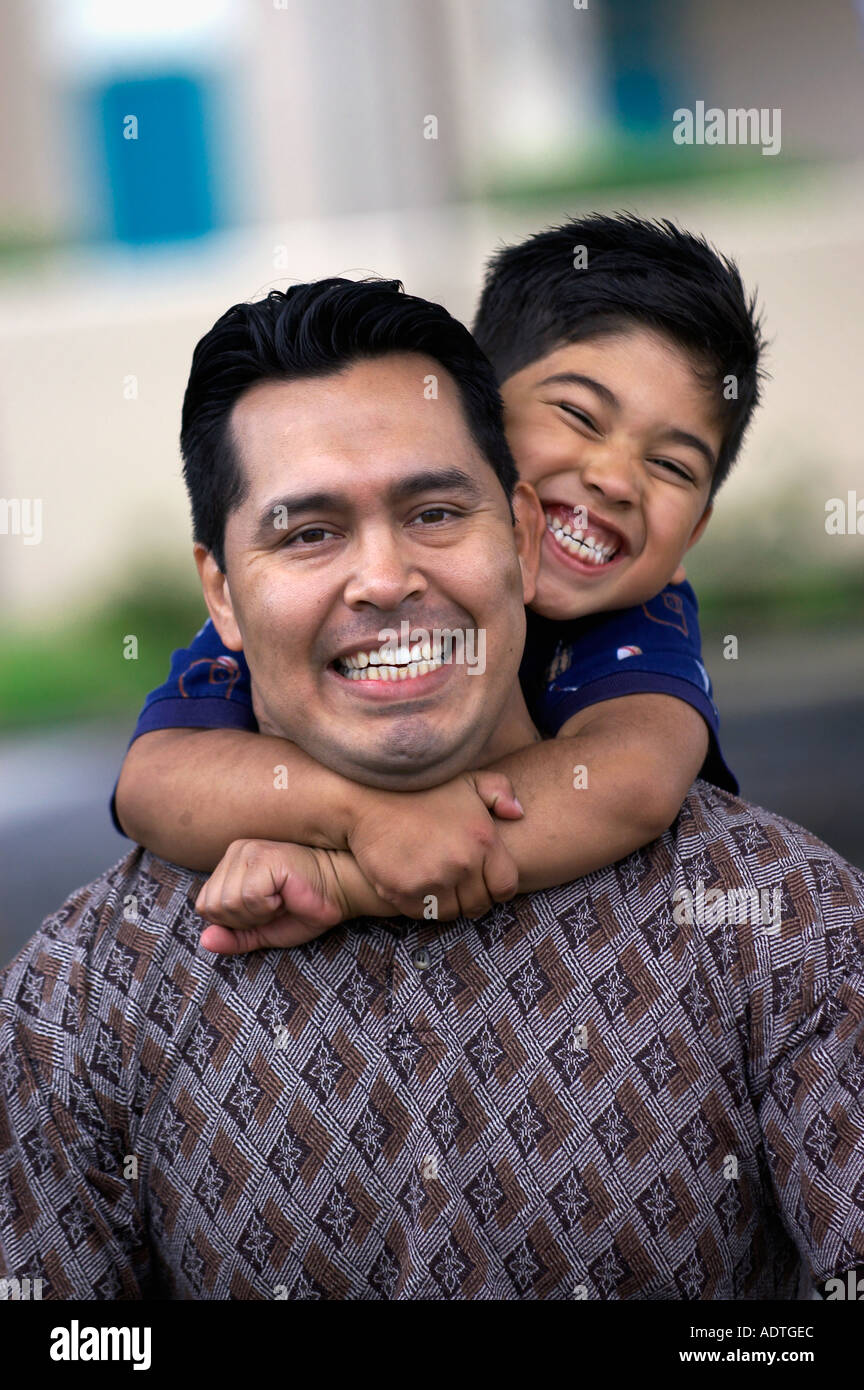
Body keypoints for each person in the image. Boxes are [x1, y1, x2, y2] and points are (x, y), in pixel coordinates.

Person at [1, 277, 862, 1300]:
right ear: (221, 594)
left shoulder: (785, 927)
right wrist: (368, 825)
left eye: (437, 510)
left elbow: (636, 772)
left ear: (527, 531)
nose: (384, 577)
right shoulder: (82, 991)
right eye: (309, 532)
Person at [112, 216, 764, 935]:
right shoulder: (285, 604)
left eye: (673, 466)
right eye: (579, 414)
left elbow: (631, 784)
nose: (613, 479)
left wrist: (341, 877)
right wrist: (365, 814)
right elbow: (153, 782)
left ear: (693, 534)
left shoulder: (646, 618)